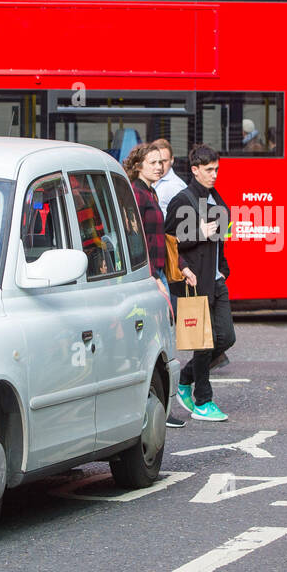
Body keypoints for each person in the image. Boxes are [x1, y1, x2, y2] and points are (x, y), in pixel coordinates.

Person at [164, 143, 235, 422]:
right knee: (203, 344)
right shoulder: (183, 200)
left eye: (216, 169)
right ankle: (203, 400)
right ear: (194, 170)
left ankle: (184, 378)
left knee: (226, 337)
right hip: (195, 281)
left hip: (215, 278)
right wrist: (200, 231)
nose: (214, 174)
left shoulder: (214, 197)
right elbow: (170, 242)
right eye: (208, 170)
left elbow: (221, 235)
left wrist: (224, 267)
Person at [125, 142, 188, 428]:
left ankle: (161, 405)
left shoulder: (149, 190)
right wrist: (152, 278)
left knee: (163, 340)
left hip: (158, 272)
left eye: (161, 162)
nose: (159, 166)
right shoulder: (136, 194)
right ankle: (158, 407)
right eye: (152, 162)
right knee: (159, 342)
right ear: (139, 165)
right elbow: (134, 238)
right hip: (150, 275)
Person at [151, 137, 187, 217]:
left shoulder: (176, 186)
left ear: (172, 160)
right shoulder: (150, 181)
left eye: (164, 161)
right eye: (156, 161)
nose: (160, 165)